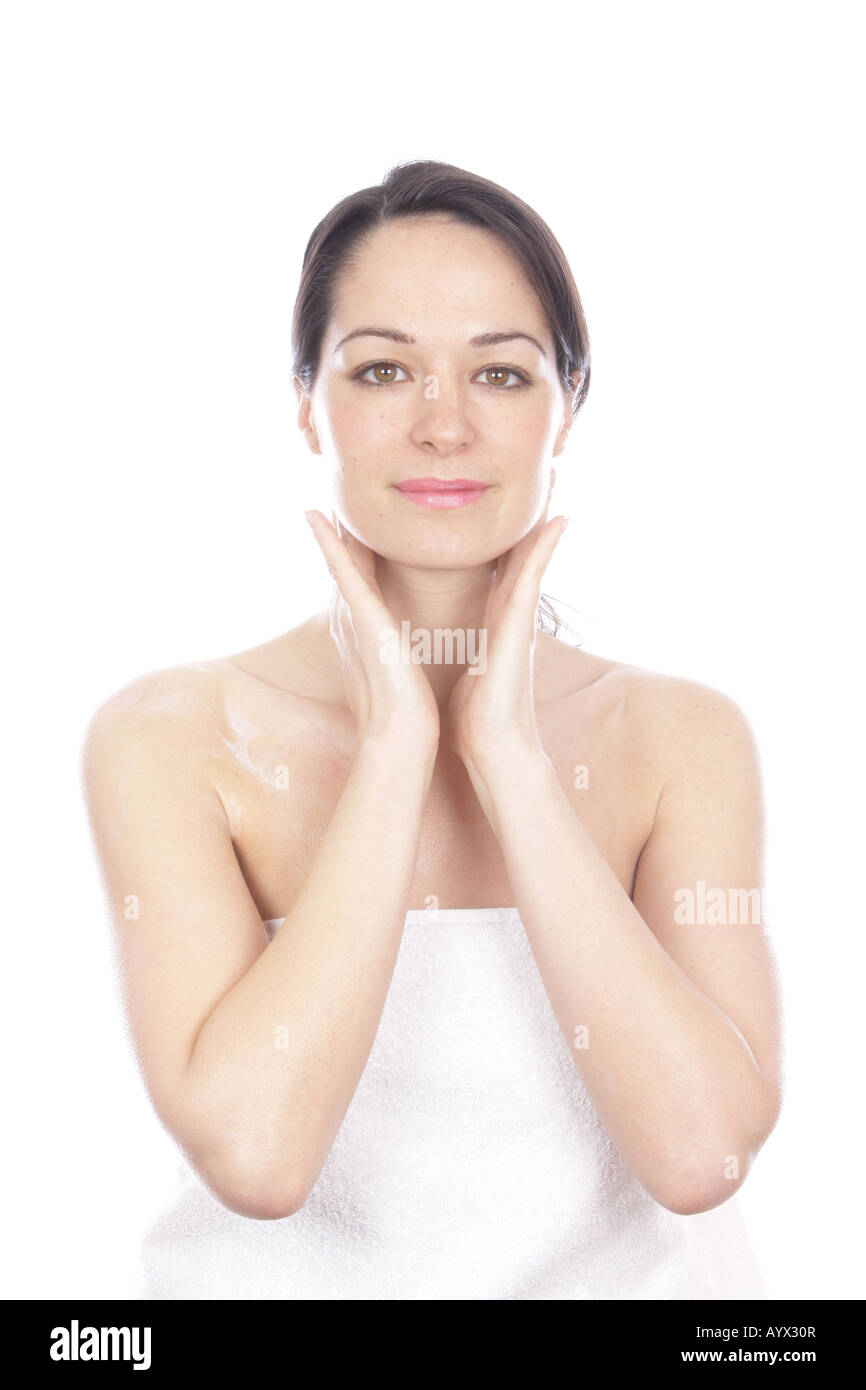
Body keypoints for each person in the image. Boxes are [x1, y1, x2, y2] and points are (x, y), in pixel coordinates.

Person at [82, 159, 782, 1300]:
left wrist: (505, 755)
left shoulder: (678, 739)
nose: (442, 423)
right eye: (384, 368)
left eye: (499, 373)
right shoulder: (173, 737)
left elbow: (698, 1155)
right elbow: (258, 1159)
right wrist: (397, 747)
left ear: (569, 402)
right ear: (307, 400)